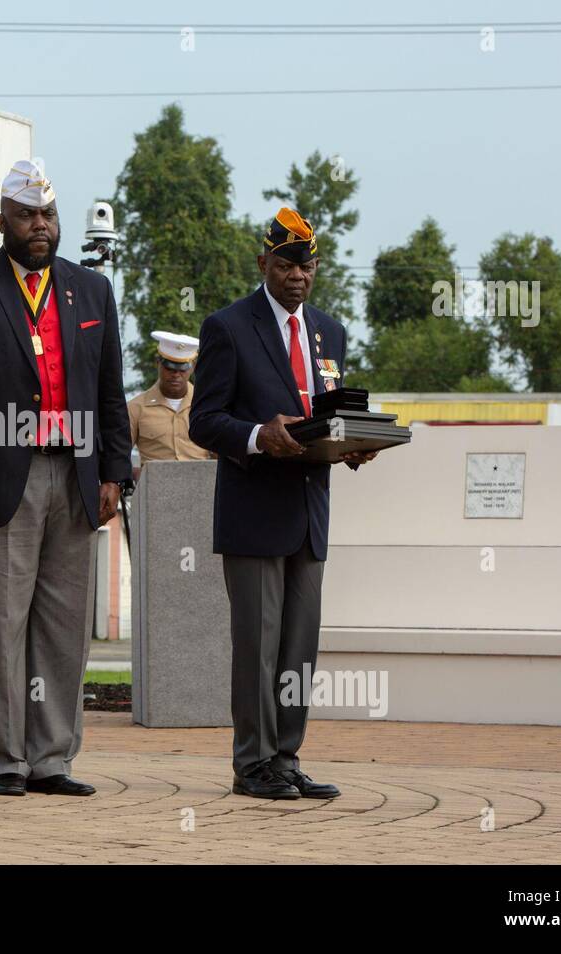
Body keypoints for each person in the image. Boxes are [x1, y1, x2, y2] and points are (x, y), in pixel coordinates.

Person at [0, 160, 134, 797]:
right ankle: (3, 759)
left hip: (76, 475)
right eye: (26, 215)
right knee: (0, 624)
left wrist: (116, 472)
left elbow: (109, 391)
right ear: (2, 222)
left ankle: (53, 759)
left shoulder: (90, 290)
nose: (39, 226)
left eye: (47, 215)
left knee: (65, 628)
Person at [189, 207, 376, 801]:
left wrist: (351, 443)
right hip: (253, 513)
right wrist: (256, 435)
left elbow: (325, 414)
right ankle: (253, 765)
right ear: (264, 261)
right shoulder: (228, 327)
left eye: (309, 263)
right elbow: (204, 420)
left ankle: (287, 758)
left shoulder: (330, 331)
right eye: (289, 262)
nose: (299, 274)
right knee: (258, 647)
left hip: (309, 511)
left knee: (298, 651)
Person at [127, 330, 212, 466]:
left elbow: (220, 454)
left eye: (182, 369)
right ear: (158, 364)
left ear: (193, 367)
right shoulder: (136, 408)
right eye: (170, 368)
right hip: (154, 484)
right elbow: (120, 454)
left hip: (200, 482)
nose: (176, 375)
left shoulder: (206, 405)